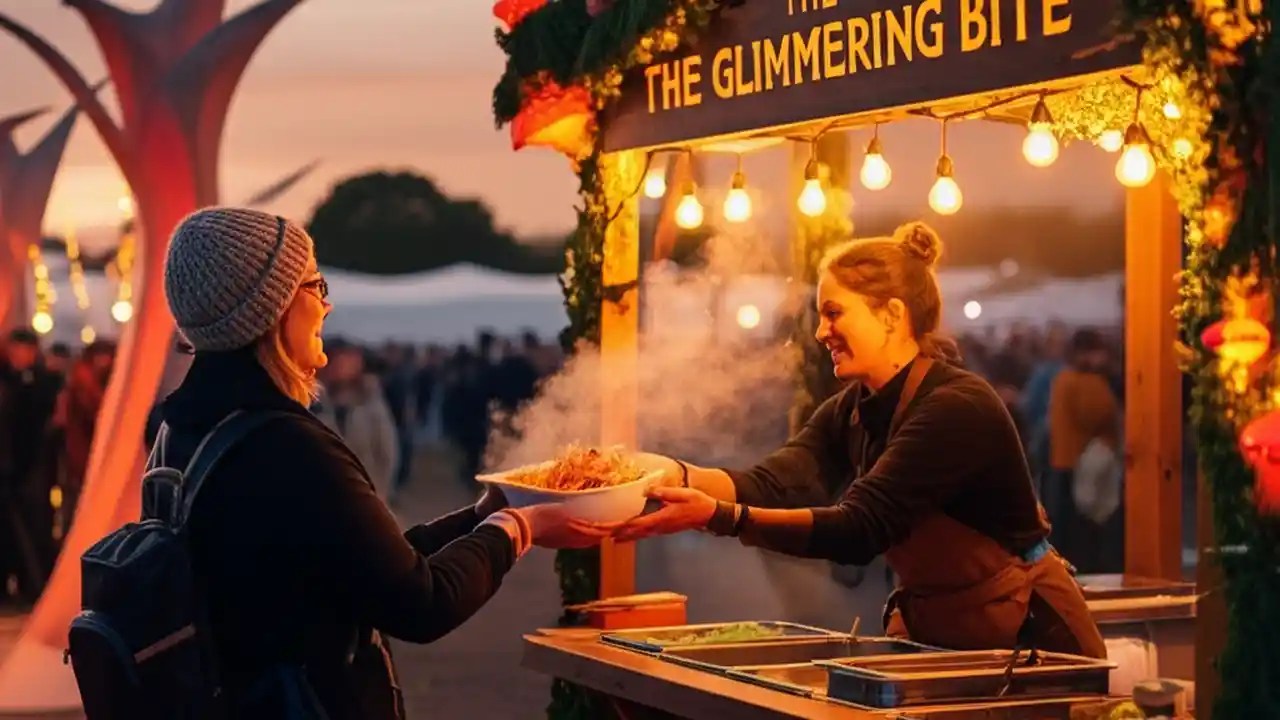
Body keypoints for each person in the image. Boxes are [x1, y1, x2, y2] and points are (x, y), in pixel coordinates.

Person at [158, 207, 608, 718]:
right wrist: (519, 526)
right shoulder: (287, 446)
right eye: (314, 285)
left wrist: (482, 515)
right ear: (274, 306)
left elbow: (371, 568)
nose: (326, 307)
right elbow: (421, 603)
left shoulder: (180, 430)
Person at [615, 222, 1106, 659]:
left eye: (833, 313)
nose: (821, 331)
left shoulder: (956, 406)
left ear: (892, 315)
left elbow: (860, 530)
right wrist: (673, 475)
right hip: (950, 633)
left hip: (1035, 641)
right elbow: (778, 482)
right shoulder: (852, 408)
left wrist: (718, 518)